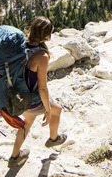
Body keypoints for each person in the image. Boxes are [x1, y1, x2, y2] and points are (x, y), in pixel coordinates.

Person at [8, 16, 67, 168]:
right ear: (46, 36)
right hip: (33, 98)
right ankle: (53, 139)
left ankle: (15, 156)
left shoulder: (20, 46)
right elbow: (42, 88)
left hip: (19, 95)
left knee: (28, 121)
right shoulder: (41, 56)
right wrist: (47, 109)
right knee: (57, 109)